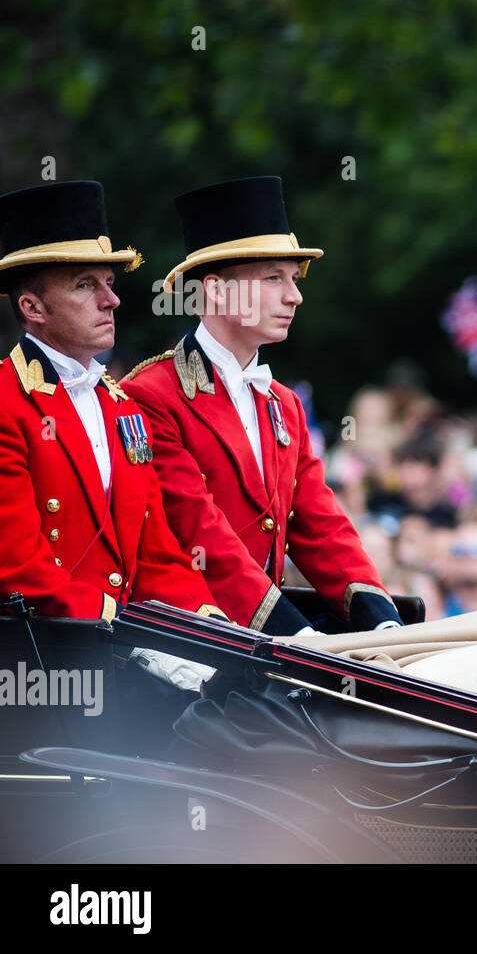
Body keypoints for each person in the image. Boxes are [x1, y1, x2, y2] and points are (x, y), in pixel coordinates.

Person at [122, 177, 402, 636]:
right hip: (191, 640)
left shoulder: (284, 404)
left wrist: (384, 621)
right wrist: (296, 636)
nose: (295, 295)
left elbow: (321, 527)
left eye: (292, 279)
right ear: (214, 290)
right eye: (274, 277)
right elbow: (201, 533)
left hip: (264, 640)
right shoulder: (152, 395)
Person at [0, 180, 225, 687]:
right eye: (85, 285)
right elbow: (21, 572)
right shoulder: (5, 403)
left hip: (122, 655)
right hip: (42, 669)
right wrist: (135, 633)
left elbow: (157, 556)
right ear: (33, 308)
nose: (112, 301)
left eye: (109, 282)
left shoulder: (121, 405)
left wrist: (214, 631)